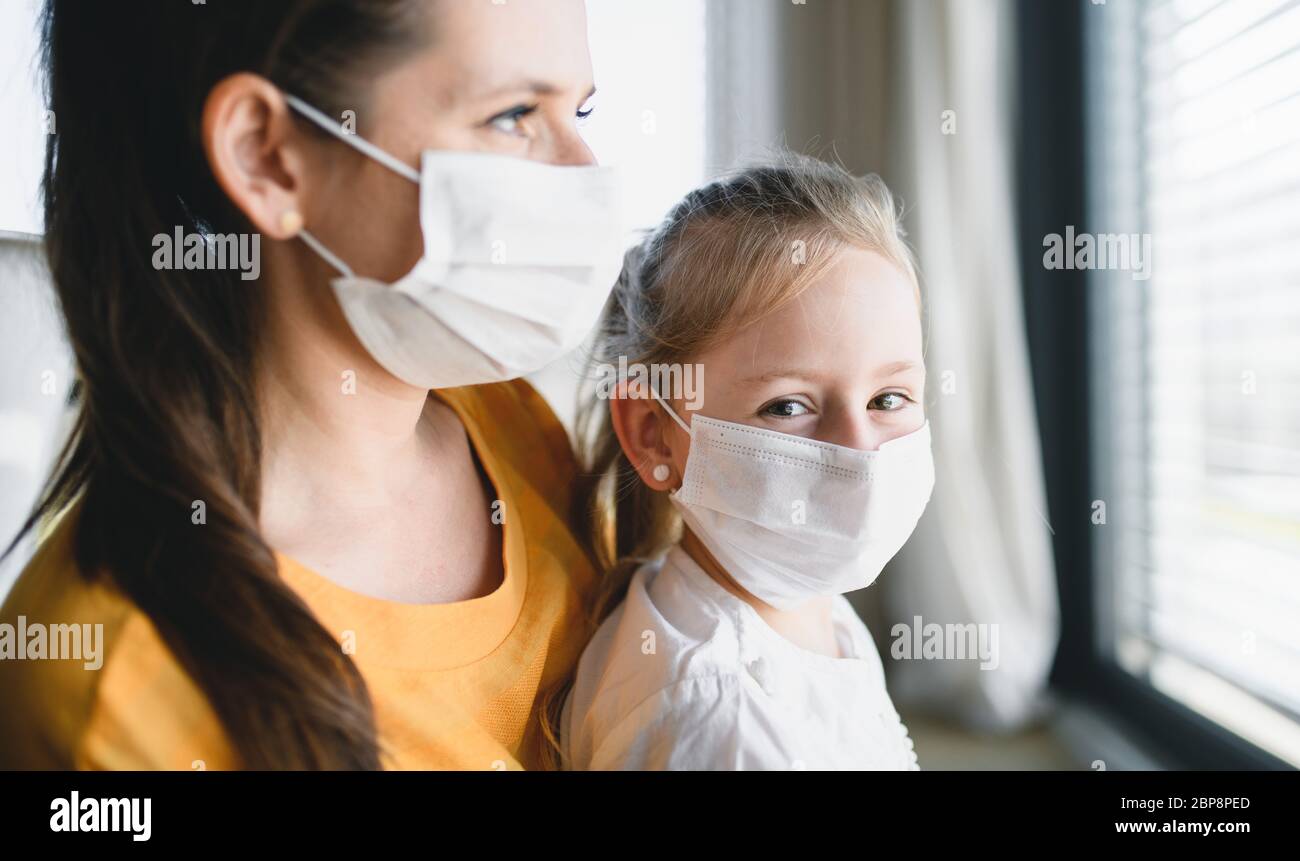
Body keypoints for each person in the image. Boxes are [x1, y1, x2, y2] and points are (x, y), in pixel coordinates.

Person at [0, 0, 622, 770]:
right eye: (515, 114)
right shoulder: (116, 692)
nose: (586, 174)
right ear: (266, 156)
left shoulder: (507, 422)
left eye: (581, 108)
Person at [563, 156, 933, 769]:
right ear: (655, 434)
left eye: (887, 399)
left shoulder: (816, 608)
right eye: (787, 406)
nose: (860, 449)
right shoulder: (716, 716)